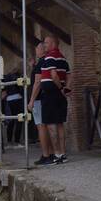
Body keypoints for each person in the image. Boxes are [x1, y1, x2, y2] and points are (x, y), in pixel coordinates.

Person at [29, 33, 72, 165]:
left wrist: (59, 88)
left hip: (50, 95)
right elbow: (70, 75)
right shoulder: (63, 58)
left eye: (46, 43)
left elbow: (52, 75)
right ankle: (62, 154)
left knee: (50, 125)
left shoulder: (50, 57)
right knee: (59, 124)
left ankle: (56, 154)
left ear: (53, 44)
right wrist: (66, 89)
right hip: (59, 95)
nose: (44, 45)